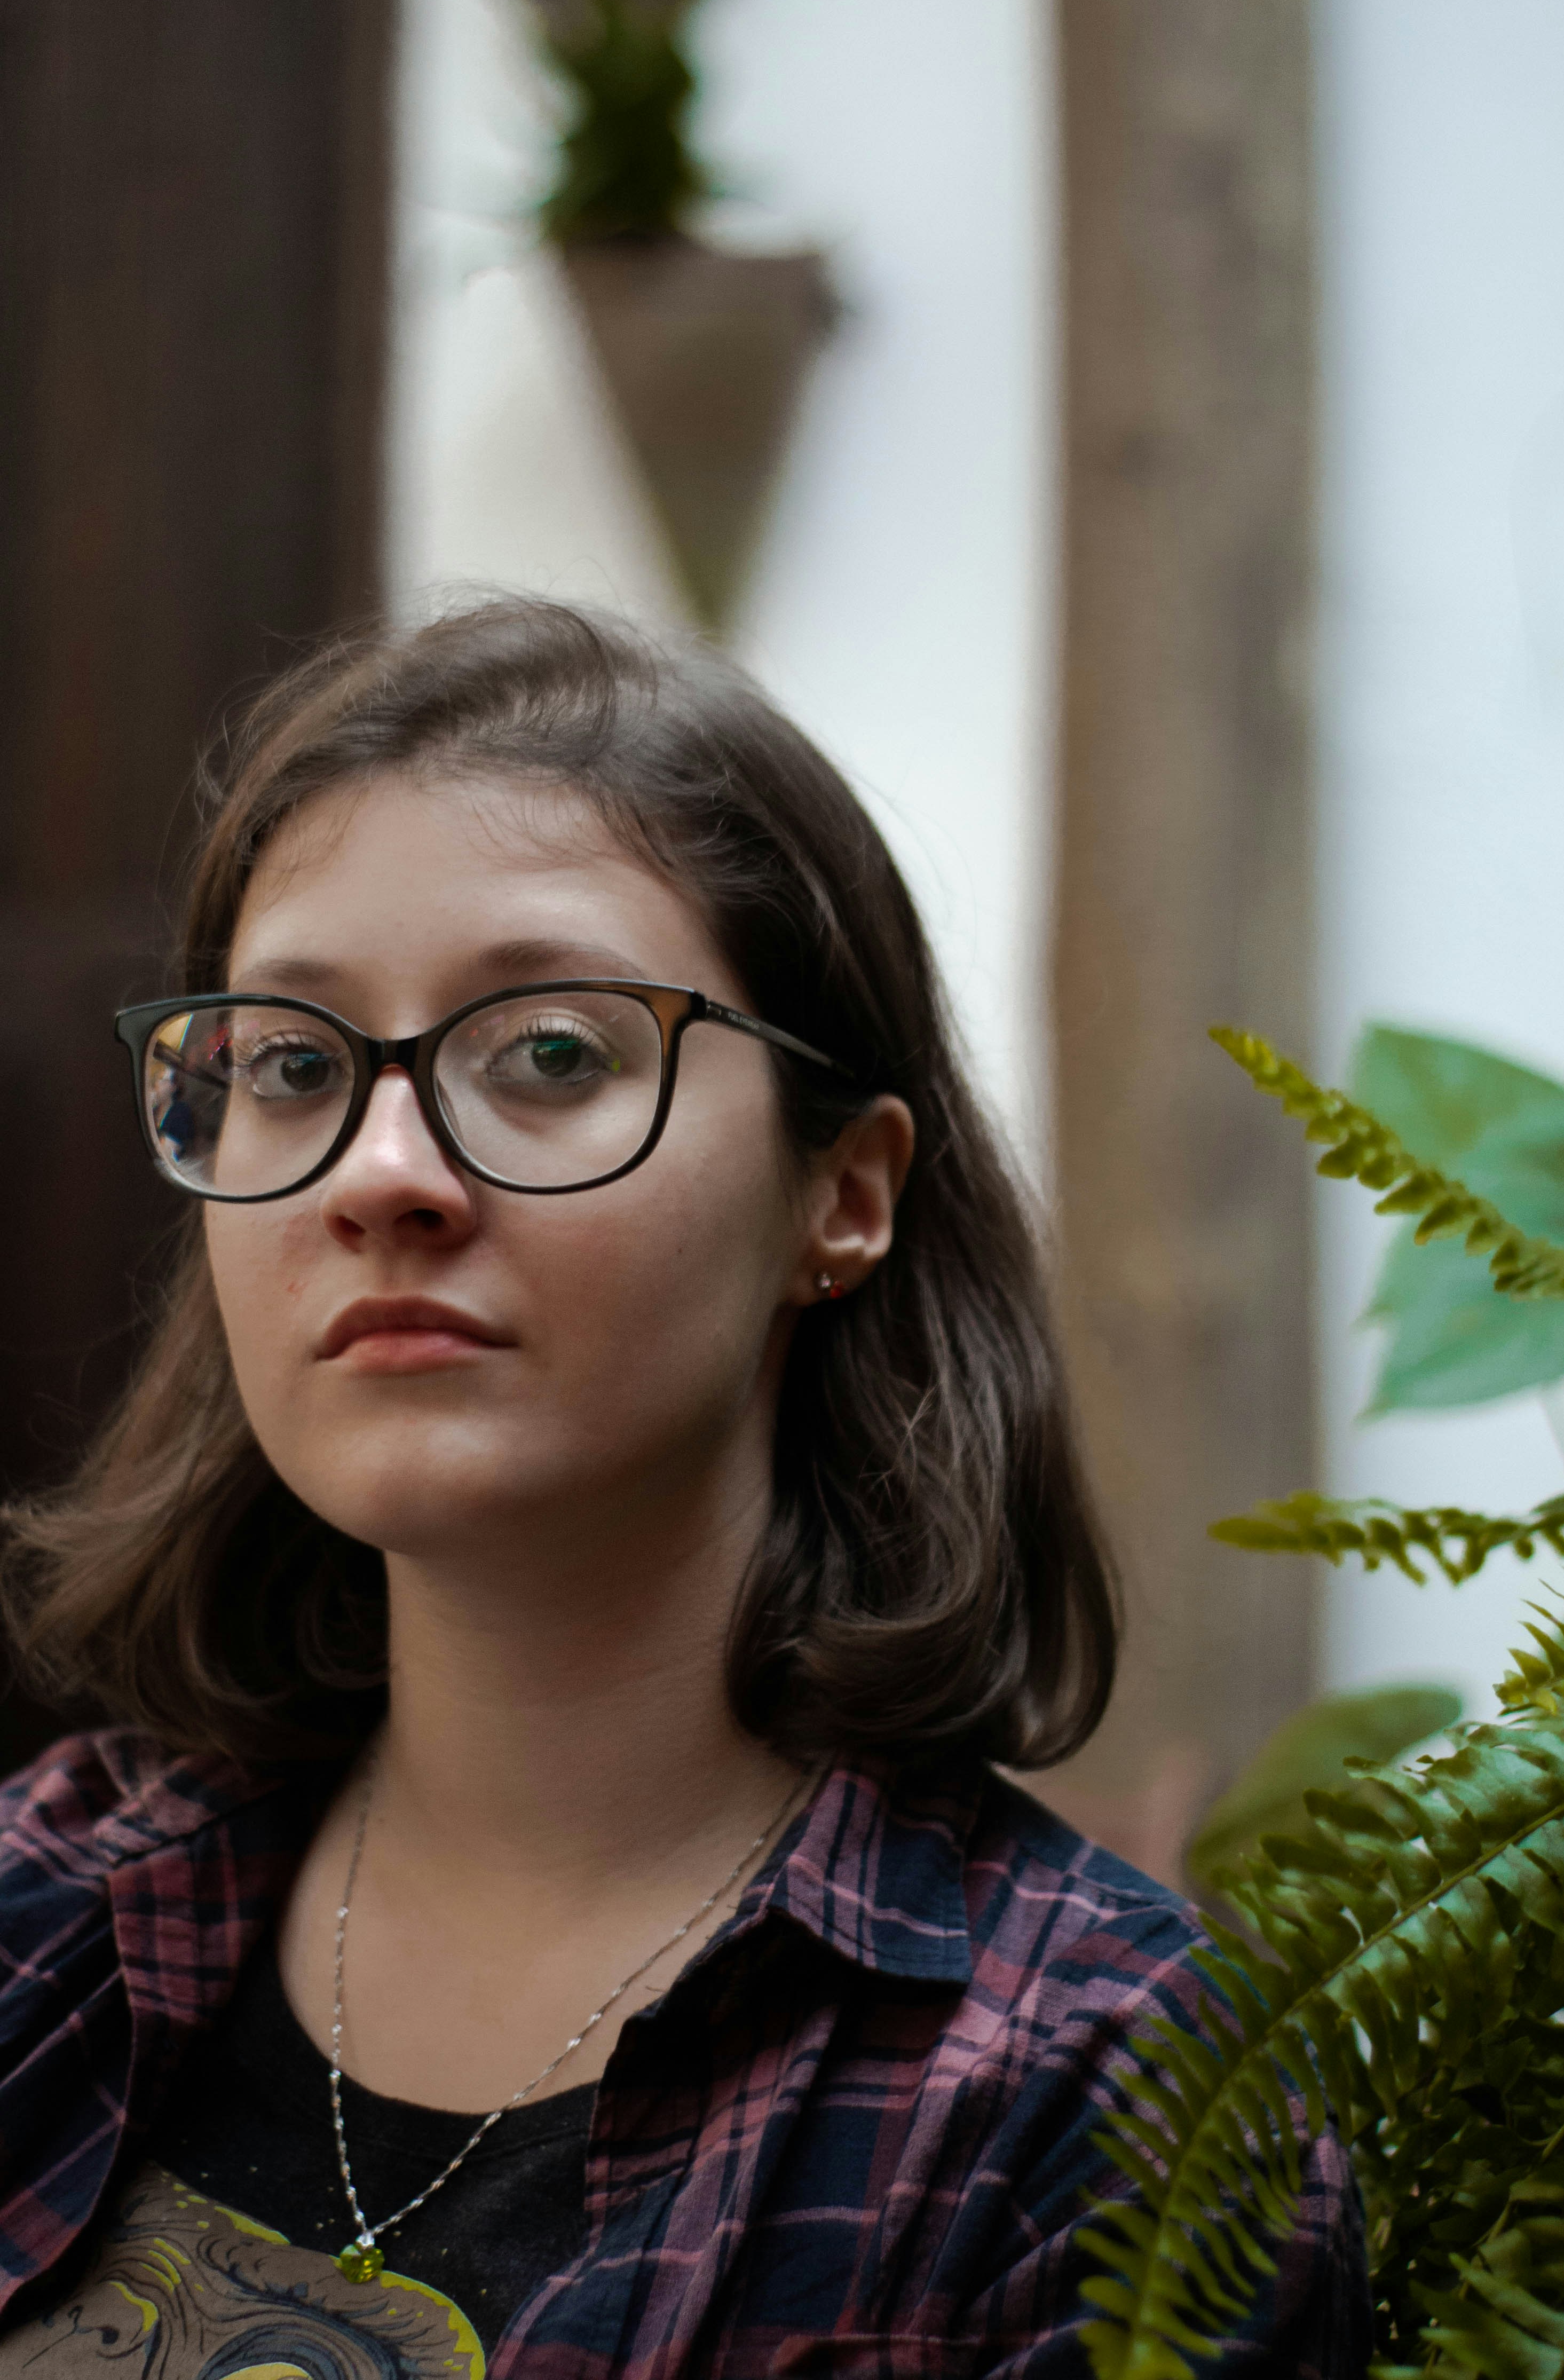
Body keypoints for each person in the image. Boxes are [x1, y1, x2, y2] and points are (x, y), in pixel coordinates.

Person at [0, 601, 1368, 2376]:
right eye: (291, 1065)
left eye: (552, 1052)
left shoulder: (1095, 2106)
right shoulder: (52, 1907)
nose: (385, 1174)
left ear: (844, 1195)